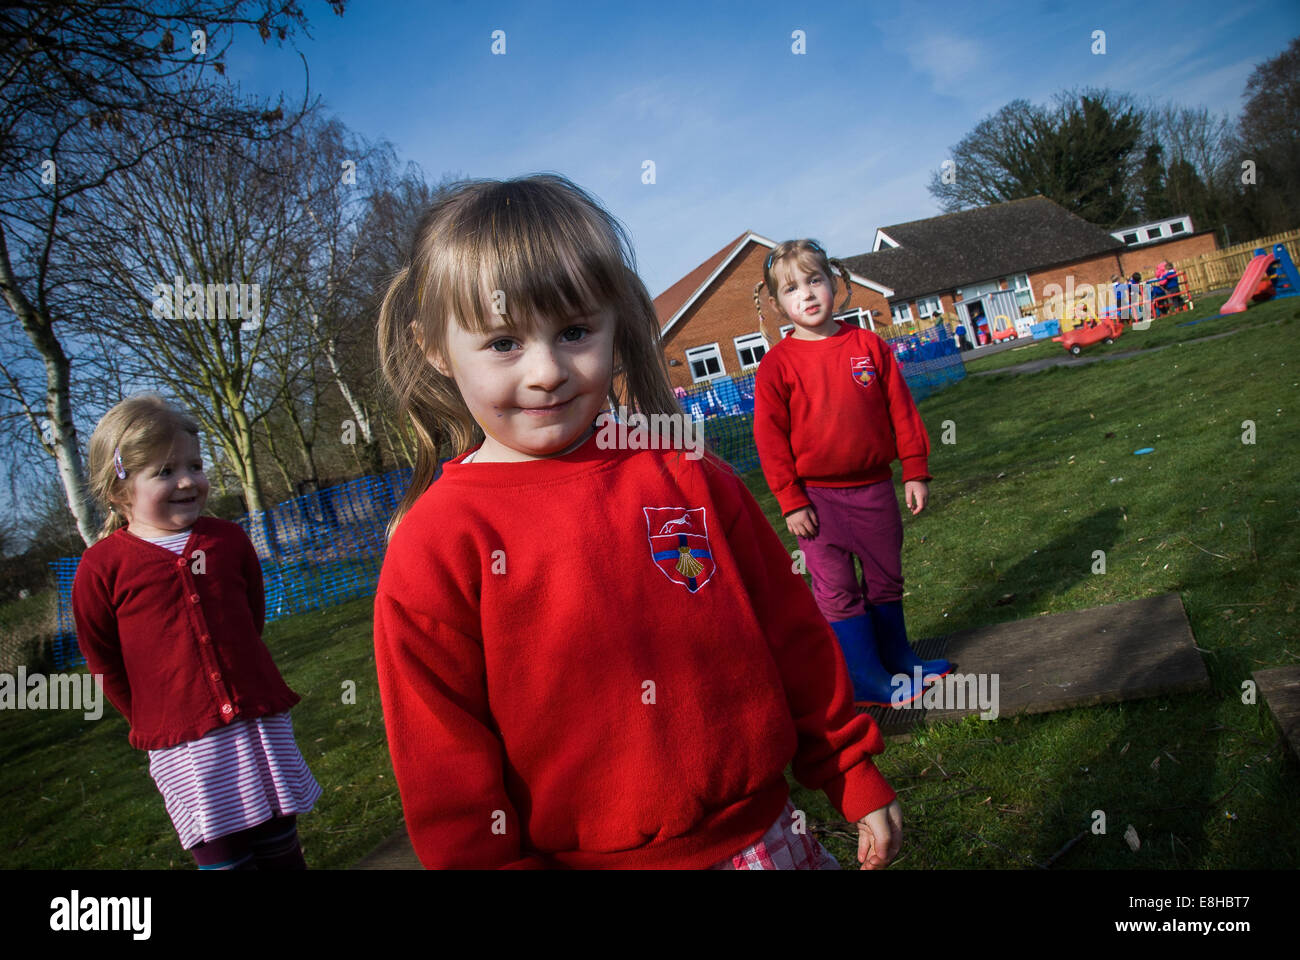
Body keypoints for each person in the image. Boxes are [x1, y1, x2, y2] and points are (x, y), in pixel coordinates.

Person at [372, 175, 902, 870]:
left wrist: (848, 765)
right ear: (435, 349)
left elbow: (791, 632)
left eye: (573, 332)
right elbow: (442, 758)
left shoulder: (687, 473)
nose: (546, 372)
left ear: (614, 323)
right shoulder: (434, 545)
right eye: (503, 343)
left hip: (768, 839)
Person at [72, 395, 320, 869]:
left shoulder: (227, 540)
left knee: (280, 846)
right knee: (223, 856)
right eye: (165, 472)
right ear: (119, 490)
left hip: (256, 722)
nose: (188, 481)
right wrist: (154, 716)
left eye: (195, 464)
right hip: (186, 745)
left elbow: (249, 615)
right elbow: (103, 658)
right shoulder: (102, 567)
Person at [751, 240, 951, 709]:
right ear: (778, 303)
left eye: (814, 280)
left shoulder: (868, 345)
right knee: (838, 591)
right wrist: (790, 499)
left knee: (885, 580)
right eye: (791, 288)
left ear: (834, 284)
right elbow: (770, 440)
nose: (806, 294)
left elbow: (901, 412)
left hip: (875, 491)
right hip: (817, 505)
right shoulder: (776, 366)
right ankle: (865, 677)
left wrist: (915, 471)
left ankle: (899, 659)